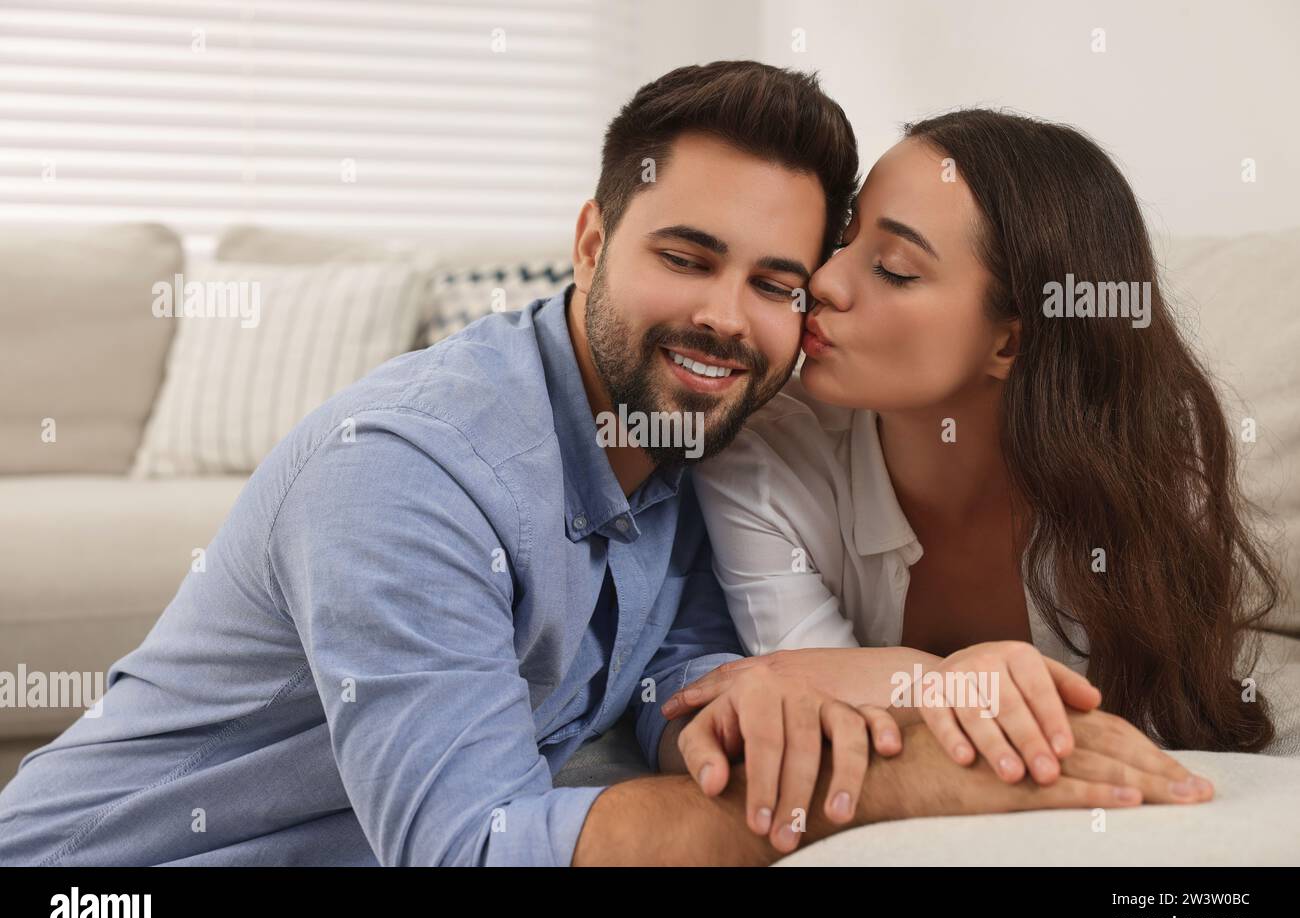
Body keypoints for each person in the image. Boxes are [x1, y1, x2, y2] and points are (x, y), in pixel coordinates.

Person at [0, 68, 1208, 868]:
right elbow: (475, 850)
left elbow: (678, 687)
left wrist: (760, 706)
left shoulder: (689, 443)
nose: (726, 317)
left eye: (776, 281)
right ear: (588, 241)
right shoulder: (405, 474)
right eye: (686, 256)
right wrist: (901, 786)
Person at [673, 109, 1276, 796]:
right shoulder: (756, 451)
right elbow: (817, 709)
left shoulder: (1139, 464)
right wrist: (954, 681)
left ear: (1010, 342)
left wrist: (922, 683)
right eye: (843, 238)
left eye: (894, 270)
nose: (825, 282)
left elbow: (1152, 716)